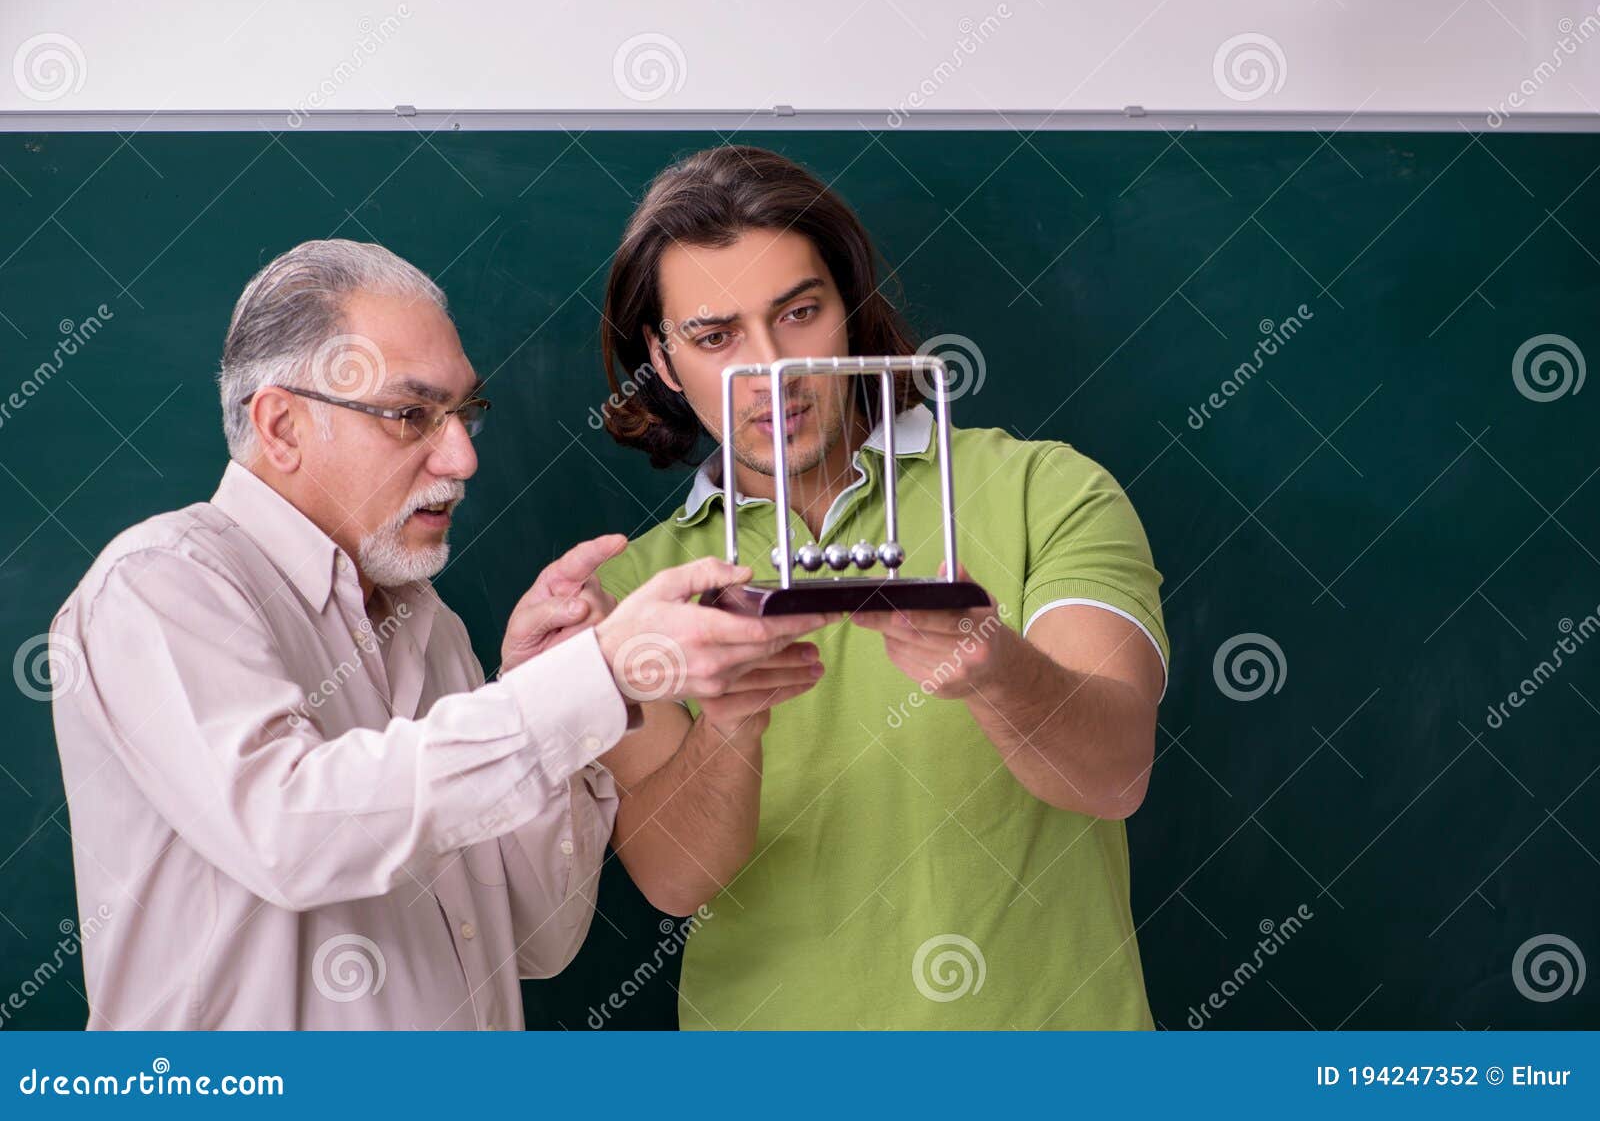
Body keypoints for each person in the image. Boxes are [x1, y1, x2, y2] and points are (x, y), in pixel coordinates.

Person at [48, 238, 828, 1029]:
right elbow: (290, 834)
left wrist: (536, 685)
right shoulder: (161, 584)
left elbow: (538, 938)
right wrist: (588, 678)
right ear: (281, 428)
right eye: (410, 415)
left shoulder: (433, 628)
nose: (459, 457)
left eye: (464, 414)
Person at [589, 147, 1169, 1028]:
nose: (774, 367)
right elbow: (675, 881)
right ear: (663, 363)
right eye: (716, 337)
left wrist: (996, 672)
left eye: (800, 313)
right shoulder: (632, 591)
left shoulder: (1046, 489)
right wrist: (735, 726)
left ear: (849, 312)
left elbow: (1115, 774)